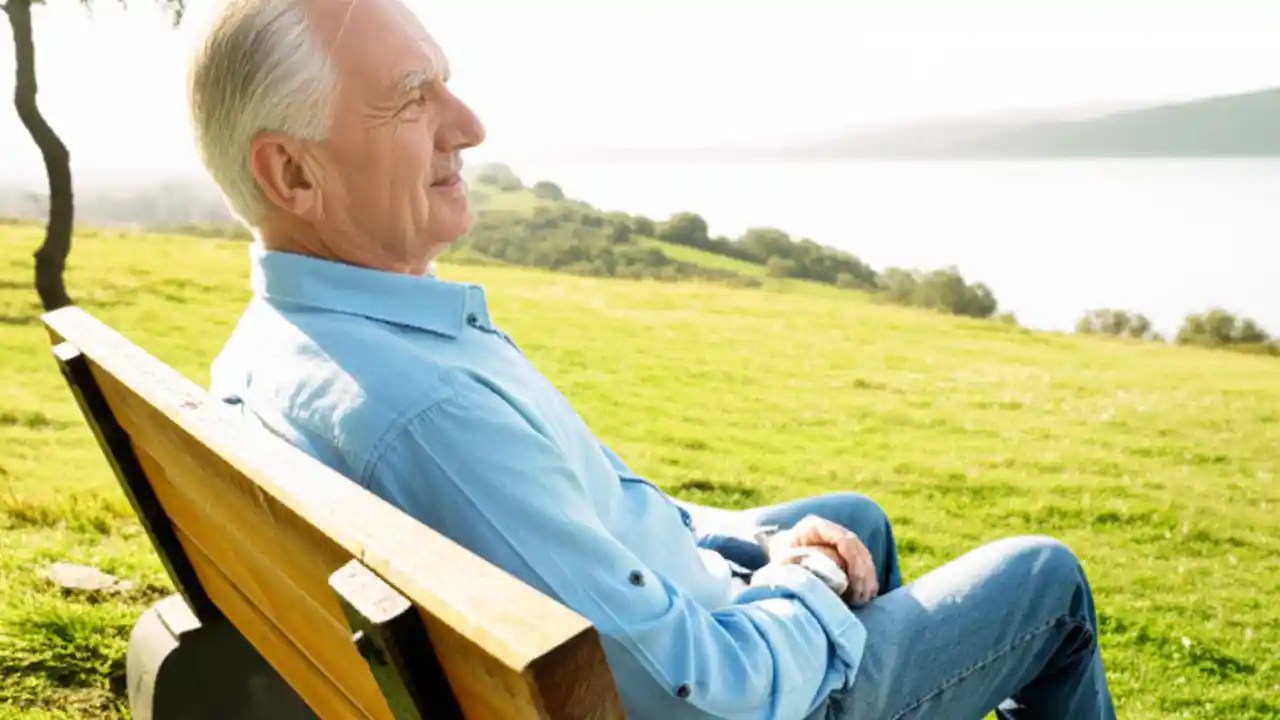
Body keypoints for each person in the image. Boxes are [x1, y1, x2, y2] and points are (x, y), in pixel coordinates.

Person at [188, 0, 1117, 717]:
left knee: (851, 519)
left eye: (445, 84)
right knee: (1044, 582)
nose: (467, 125)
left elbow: (605, 515)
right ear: (293, 173)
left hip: (625, 642)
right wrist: (805, 580)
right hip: (728, 688)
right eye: (410, 99)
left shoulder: (279, 349)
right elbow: (704, 694)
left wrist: (764, 548)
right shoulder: (424, 413)